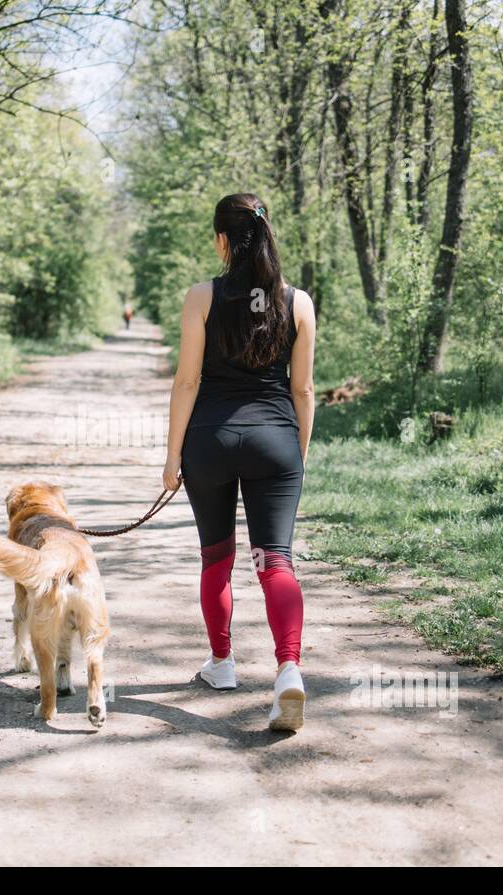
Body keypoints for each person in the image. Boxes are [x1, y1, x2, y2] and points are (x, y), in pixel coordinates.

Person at [161, 193, 316, 731]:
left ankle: (222, 664)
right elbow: (304, 390)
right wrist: (298, 455)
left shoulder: (200, 297)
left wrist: (172, 455)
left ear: (221, 241)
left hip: (211, 440)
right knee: (275, 561)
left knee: (217, 556)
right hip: (276, 438)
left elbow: (187, 381)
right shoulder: (298, 302)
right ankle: (289, 670)